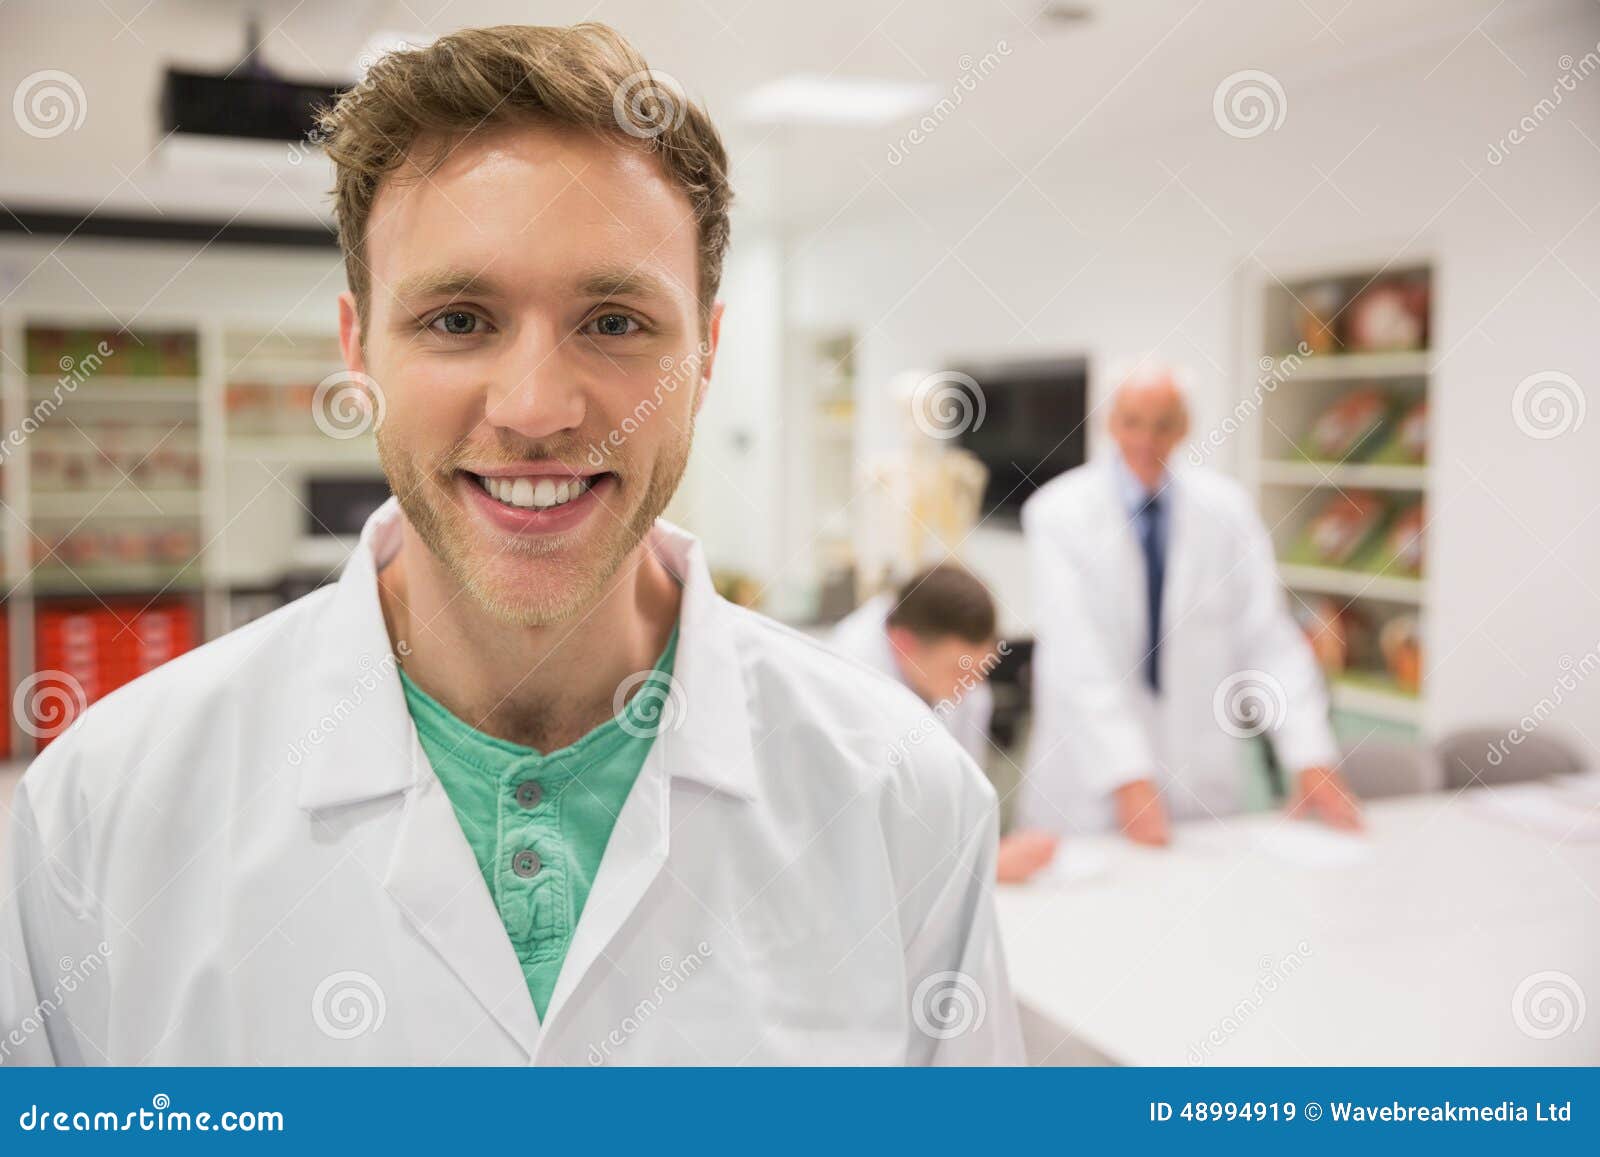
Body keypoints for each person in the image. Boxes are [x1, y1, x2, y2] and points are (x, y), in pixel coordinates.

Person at [0, 23, 1021, 1066]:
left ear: (706, 351)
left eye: (615, 321)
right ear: (360, 351)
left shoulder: (902, 798)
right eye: (457, 319)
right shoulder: (106, 810)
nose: (536, 407)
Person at [1020, 360, 1361, 845]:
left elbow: (1268, 642)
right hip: (1089, 789)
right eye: (1132, 422)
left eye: (1163, 424)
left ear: (1185, 427)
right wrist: (1128, 775)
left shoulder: (1226, 511)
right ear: (1109, 423)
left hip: (1198, 785)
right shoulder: (1058, 514)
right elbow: (1078, 658)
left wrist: (1309, 755)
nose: (1146, 439)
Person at [829, 567, 1058, 883]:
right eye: (959, 671)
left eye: (981, 670)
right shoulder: (847, 684)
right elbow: (864, 839)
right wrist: (981, 868)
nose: (971, 686)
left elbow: (962, 797)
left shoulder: (964, 681)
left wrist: (985, 854)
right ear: (902, 643)